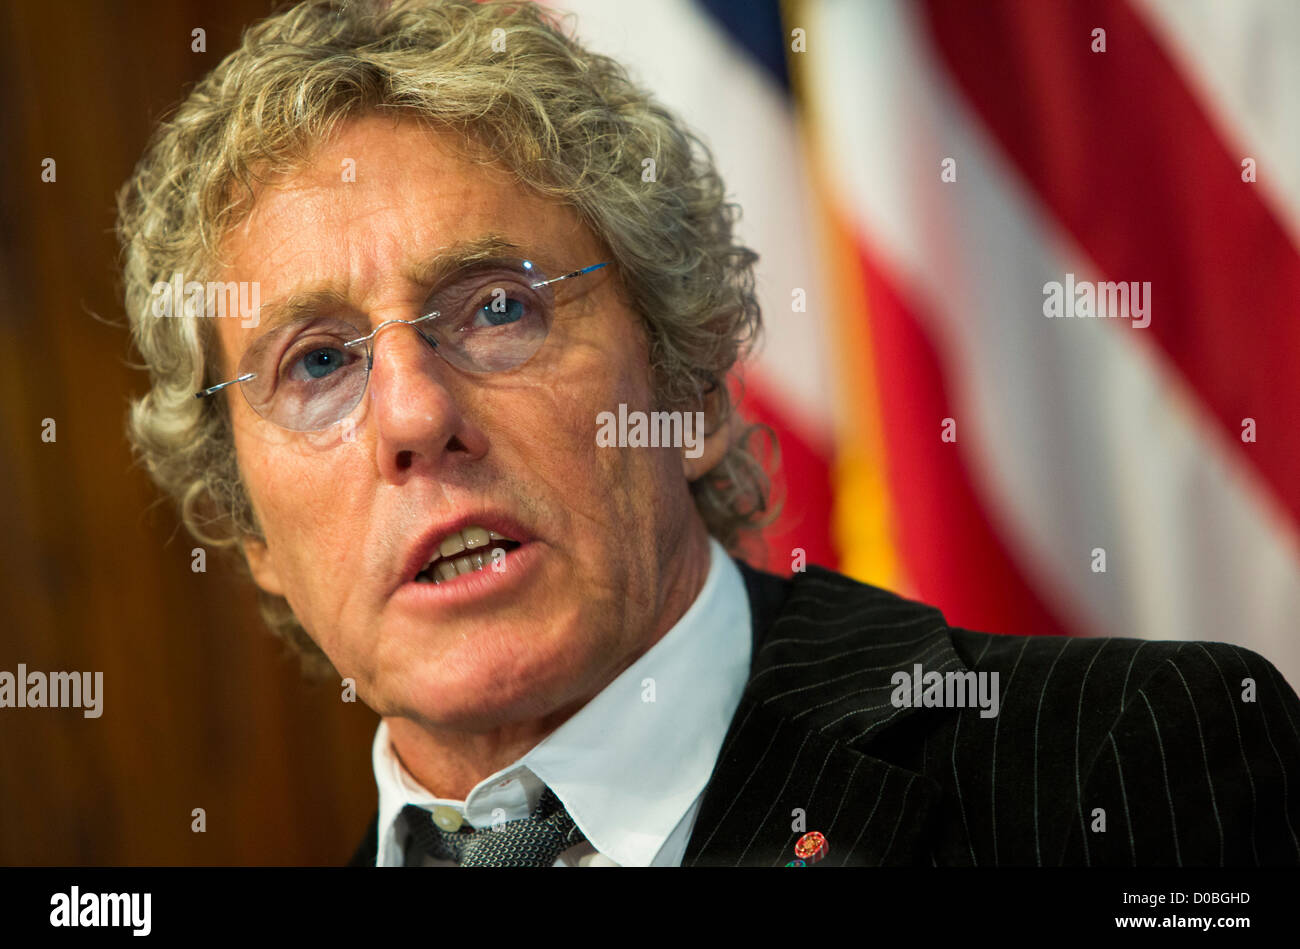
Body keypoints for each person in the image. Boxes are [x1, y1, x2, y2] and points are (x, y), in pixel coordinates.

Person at [117, 0, 1300, 867]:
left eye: (496, 309)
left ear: (685, 392)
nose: (417, 415)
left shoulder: (1128, 764)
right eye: (317, 362)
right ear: (251, 529)